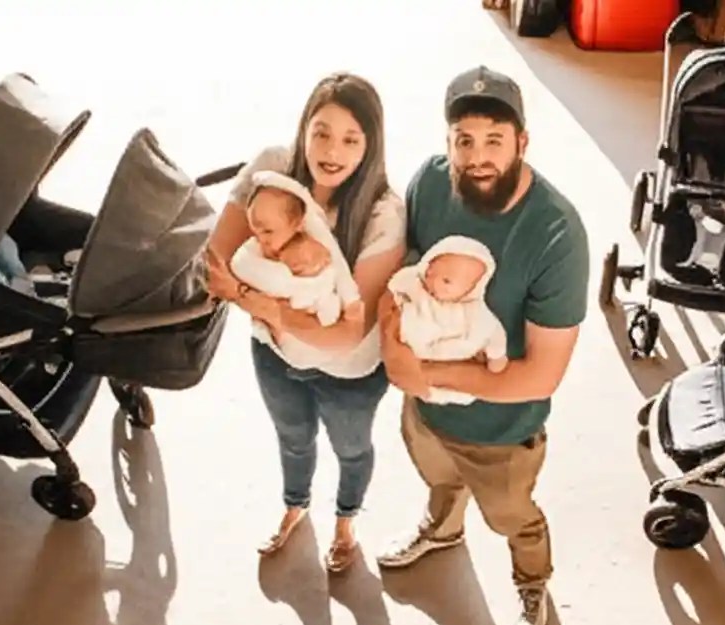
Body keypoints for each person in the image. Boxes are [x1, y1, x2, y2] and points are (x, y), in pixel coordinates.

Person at [375, 66, 590, 625]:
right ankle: (442, 530)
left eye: (495, 140)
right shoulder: (430, 181)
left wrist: (417, 370)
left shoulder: (556, 234)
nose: (478, 157)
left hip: (500, 428)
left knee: (511, 516)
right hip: (426, 410)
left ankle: (532, 578)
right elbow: (405, 273)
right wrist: (394, 343)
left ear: (523, 142)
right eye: (463, 140)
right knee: (439, 479)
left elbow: (541, 375)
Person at [205, 72, 407, 573]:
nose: (332, 150)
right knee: (292, 437)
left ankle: (345, 522)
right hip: (275, 354)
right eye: (321, 132)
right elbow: (215, 264)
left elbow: (348, 333)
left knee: (352, 447)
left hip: (351, 373)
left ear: (371, 144)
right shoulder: (273, 171)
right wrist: (268, 306)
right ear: (304, 129)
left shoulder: (383, 211)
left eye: (350, 139)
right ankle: (295, 506)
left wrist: (262, 302)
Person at [385, 233, 508, 405]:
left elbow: (494, 332)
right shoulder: (418, 287)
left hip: (453, 356)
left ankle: (435, 391)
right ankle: (426, 389)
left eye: (447, 281)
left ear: (471, 289)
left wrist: (497, 356)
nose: (434, 281)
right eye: (430, 272)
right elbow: (395, 287)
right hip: (417, 349)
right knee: (409, 322)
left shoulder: (475, 311)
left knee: (470, 353)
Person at [230, 170, 360, 331]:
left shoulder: (313, 243)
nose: (260, 239)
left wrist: (350, 299)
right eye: (255, 230)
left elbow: (338, 266)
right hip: (282, 309)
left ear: (297, 224)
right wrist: (284, 278)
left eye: (268, 231)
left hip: (317, 301)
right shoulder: (256, 247)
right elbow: (240, 264)